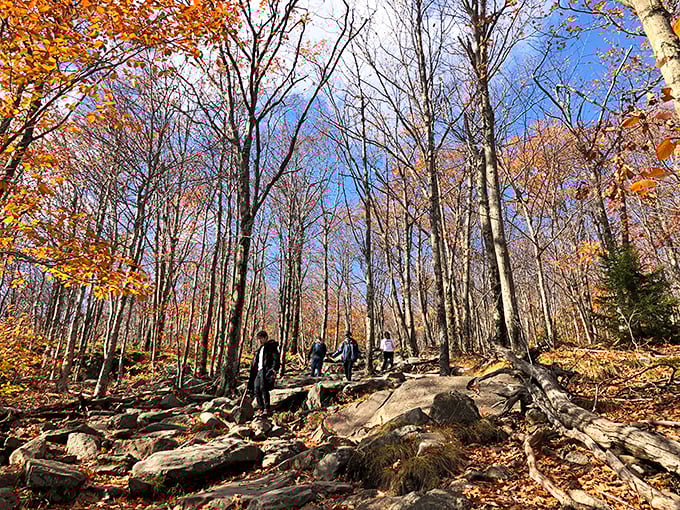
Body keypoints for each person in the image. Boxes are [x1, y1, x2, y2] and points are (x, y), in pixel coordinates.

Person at [247, 330, 280, 416]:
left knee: (263, 388)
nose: (259, 341)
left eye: (261, 338)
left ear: (265, 338)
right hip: (258, 371)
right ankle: (260, 408)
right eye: (258, 339)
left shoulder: (271, 347)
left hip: (266, 370)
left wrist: (273, 369)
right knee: (256, 389)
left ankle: (267, 408)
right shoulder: (259, 349)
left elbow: (275, 358)